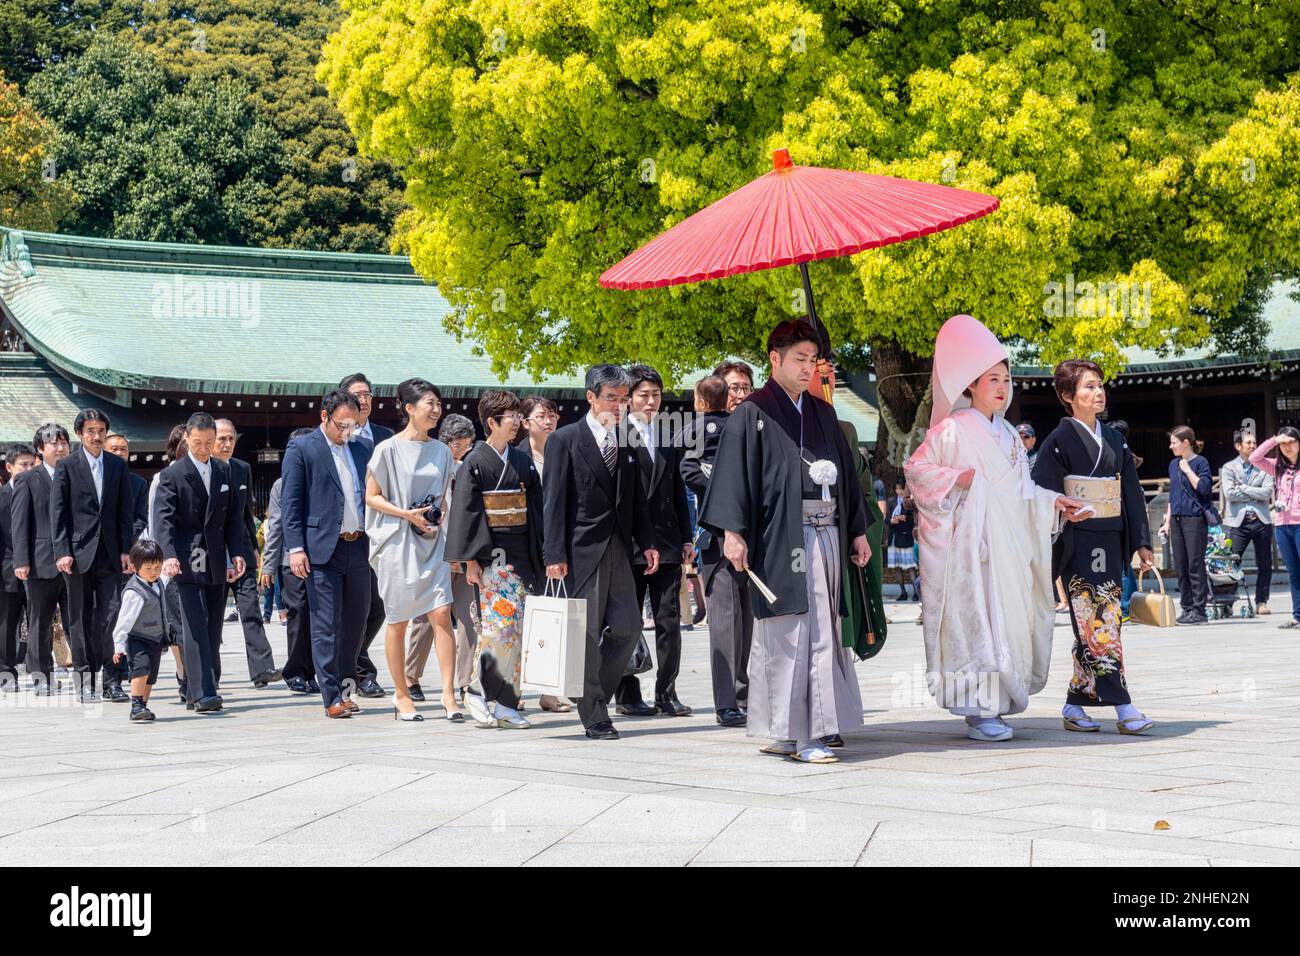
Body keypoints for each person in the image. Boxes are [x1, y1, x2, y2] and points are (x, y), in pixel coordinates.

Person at [700, 320, 875, 764]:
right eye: (799, 359)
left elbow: (849, 477)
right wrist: (733, 534)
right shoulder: (751, 412)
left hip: (827, 533)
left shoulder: (821, 412)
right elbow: (733, 476)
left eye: (812, 360)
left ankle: (798, 729)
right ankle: (800, 734)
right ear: (774, 359)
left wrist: (856, 529)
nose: (807, 368)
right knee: (788, 630)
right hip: (781, 537)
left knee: (822, 629)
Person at [906, 315, 1082, 741]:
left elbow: (1023, 493)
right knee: (975, 621)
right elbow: (917, 470)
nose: (1003, 388)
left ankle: (995, 703)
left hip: (1009, 548)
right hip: (972, 549)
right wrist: (955, 479)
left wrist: (1052, 502)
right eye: (992, 379)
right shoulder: (950, 429)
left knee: (1004, 621)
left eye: (1006, 379)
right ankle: (979, 707)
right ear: (970, 385)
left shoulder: (1006, 433)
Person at [1032, 360, 1156, 735]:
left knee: (1099, 622)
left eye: (1100, 386)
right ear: (1067, 397)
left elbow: (1131, 492)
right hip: (1078, 540)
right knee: (1099, 622)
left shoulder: (1115, 439)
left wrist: (1142, 541)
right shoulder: (1057, 442)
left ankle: (1075, 702)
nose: (1098, 392)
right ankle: (1123, 706)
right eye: (1087, 387)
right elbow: (1042, 492)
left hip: (1111, 538)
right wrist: (1062, 505)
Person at [543, 364, 658, 740]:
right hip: (580, 550)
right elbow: (554, 501)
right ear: (591, 397)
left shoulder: (628, 439)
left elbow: (638, 500)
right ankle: (594, 713)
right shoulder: (565, 440)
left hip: (621, 548)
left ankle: (594, 694)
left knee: (628, 628)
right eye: (612, 398)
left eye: (624, 399)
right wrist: (554, 554)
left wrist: (648, 542)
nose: (620, 406)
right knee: (587, 633)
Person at [445, 390, 545, 729]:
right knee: (498, 630)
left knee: (516, 632)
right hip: (492, 558)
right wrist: (471, 560)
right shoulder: (475, 461)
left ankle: (505, 703)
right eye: (510, 417)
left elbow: (535, 509)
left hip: (521, 555)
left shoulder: (521, 460)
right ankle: (476, 690)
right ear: (491, 422)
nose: (517, 422)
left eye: (519, 416)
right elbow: (467, 513)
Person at [365, 379, 460, 722]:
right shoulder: (387, 449)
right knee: (399, 619)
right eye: (429, 404)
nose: (435, 410)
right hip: (397, 541)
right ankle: (401, 693)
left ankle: (448, 694)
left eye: (438, 403)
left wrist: (437, 520)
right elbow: (371, 496)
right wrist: (407, 514)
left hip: (432, 541)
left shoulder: (442, 451)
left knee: (441, 614)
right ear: (409, 408)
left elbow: (447, 498)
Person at [282, 390, 373, 718]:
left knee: (355, 623)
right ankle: (331, 696)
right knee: (326, 624)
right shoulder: (303, 448)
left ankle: (347, 690)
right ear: (324, 417)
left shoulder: (362, 449)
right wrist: (296, 548)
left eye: (352, 425)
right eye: (341, 425)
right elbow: (291, 503)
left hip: (358, 545)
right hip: (322, 549)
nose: (346, 432)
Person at [614, 365, 694, 717]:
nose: (651, 401)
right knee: (627, 619)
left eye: (656, 395)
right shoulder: (616, 435)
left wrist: (687, 537)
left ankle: (667, 690)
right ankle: (627, 693)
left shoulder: (668, 436)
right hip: (629, 545)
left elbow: (678, 491)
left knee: (668, 618)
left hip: (667, 541)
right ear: (629, 398)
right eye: (643, 395)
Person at [154, 412, 246, 714]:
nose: (204, 447)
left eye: (209, 442)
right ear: (187, 439)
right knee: (193, 625)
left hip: (217, 556)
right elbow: (162, 521)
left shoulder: (224, 471)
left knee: (214, 626)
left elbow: (233, 518)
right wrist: (167, 556)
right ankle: (203, 691)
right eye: (198, 442)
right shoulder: (173, 474)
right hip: (186, 557)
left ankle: (205, 686)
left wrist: (238, 552)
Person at [682, 369, 752, 728]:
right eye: (733, 387)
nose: (739, 394)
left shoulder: (753, 426)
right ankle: (726, 701)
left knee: (747, 622)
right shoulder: (704, 431)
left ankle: (745, 694)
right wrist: (722, 487)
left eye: (744, 387)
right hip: (716, 537)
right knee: (725, 621)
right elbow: (687, 469)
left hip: (752, 535)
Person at [50, 409, 134, 701]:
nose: (96, 436)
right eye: (90, 431)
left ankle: (112, 681)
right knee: (80, 617)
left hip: (111, 553)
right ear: (80, 435)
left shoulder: (116, 465)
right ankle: (84, 679)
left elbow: (124, 511)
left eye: (101, 430)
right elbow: (57, 512)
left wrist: (126, 550)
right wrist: (62, 551)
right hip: (77, 553)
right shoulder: (67, 466)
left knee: (112, 613)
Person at [404, 413, 476, 706]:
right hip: (436, 551)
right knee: (428, 617)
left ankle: (465, 682)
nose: (461, 451)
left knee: (471, 618)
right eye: (457, 446)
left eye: (466, 446)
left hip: (466, 553)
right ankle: (411, 676)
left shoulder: (472, 468)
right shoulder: (432, 466)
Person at [212, 419, 281, 687]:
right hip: (215, 553)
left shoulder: (242, 469)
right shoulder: (205, 470)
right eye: (222, 438)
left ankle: (262, 667)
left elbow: (246, 513)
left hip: (242, 550)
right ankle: (209, 674)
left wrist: (253, 546)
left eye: (231, 438)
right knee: (213, 616)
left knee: (250, 609)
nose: (227, 444)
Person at [341, 372, 393, 700]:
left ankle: (353, 659)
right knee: (355, 606)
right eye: (357, 394)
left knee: (379, 605)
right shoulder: (339, 437)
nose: (364, 399)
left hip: (383, 532)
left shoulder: (388, 437)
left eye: (368, 394)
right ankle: (360, 670)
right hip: (350, 533)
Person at [13, 424, 74, 695]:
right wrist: (21, 560)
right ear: (41, 448)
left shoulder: (77, 474)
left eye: (64, 443)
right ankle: (41, 677)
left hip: (75, 562)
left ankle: (87, 674)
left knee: (78, 621)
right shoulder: (28, 479)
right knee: (40, 622)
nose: (60, 448)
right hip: (40, 562)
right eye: (54, 443)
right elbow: (20, 523)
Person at [262, 428, 318, 694]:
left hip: (322, 556)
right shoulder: (281, 485)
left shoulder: (323, 478)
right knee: (298, 615)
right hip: (290, 559)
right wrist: (268, 565)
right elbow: (275, 526)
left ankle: (314, 671)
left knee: (320, 618)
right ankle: (296, 671)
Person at [110, 539, 177, 722]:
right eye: (149, 569)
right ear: (135, 567)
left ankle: (144, 705)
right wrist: (119, 646)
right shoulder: (134, 592)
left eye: (157, 567)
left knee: (151, 675)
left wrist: (171, 571)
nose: (154, 572)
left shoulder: (157, 581)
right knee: (141, 670)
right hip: (138, 637)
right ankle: (136, 705)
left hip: (155, 638)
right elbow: (124, 621)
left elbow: (164, 576)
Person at [1160, 426, 1213, 625]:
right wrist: (1166, 521)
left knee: (1195, 564)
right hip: (1176, 519)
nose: (1171, 446)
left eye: (1174, 442)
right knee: (1180, 565)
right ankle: (1187, 607)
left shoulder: (1200, 462)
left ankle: (1199, 610)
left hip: (1194, 518)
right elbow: (1172, 496)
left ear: (1185, 443)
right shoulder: (1173, 464)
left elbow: (1204, 488)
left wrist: (1188, 470)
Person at [1249, 427, 1300, 629]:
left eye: (1292, 441)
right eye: (1284, 444)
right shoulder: (1276, 466)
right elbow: (1254, 457)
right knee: (1294, 572)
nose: (1288, 447)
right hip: (1282, 525)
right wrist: (1274, 439)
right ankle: (1297, 615)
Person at [1221, 426, 1274, 615]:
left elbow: (1267, 492)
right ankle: (1227, 602)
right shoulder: (1229, 467)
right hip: (1237, 521)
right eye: (1249, 442)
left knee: (1265, 563)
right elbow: (1229, 493)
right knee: (1231, 563)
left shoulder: (1265, 465)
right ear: (1238, 446)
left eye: (1254, 442)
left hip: (1261, 521)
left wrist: (1242, 487)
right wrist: (1253, 493)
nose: (1253, 445)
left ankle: (1262, 601)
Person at [1, 444, 38, 690]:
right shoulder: (1, 496)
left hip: (38, 568)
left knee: (38, 622)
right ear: (9, 467)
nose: (27, 469)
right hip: (6, 570)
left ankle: (39, 673)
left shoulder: (40, 491)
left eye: (31, 465)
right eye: (22, 465)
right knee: (6, 623)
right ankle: (5, 672)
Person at [1108, 420, 1142, 619]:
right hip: (1120, 512)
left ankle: (1126, 605)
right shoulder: (1126, 455)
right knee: (1124, 563)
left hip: (1121, 513)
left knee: (1123, 563)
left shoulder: (1122, 456)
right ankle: (1130, 602)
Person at [105, 433, 149, 544]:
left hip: (128, 545)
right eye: (114, 449)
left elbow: (141, 519)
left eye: (123, 449)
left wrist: (125, 537)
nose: (119, 453)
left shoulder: (139, 483)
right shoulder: (94, 480)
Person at [885, 480, 919, 601]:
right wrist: (891, 521)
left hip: (906, 537)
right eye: (897, 489)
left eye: (901, 489)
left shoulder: (911, 501)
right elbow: (886, 518)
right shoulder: (891, 502)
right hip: (894, 537)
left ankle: (916, 592)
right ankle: (903, 592)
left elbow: (915, 519)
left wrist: (905, 518)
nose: (899, 492)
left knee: (911, 567)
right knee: (897, 567)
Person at [520, 395, 559, 477]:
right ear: (526, 423)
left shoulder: (564, 453)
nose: (548, 421)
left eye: (552, 416)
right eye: (541, 416)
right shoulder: (517, 456)